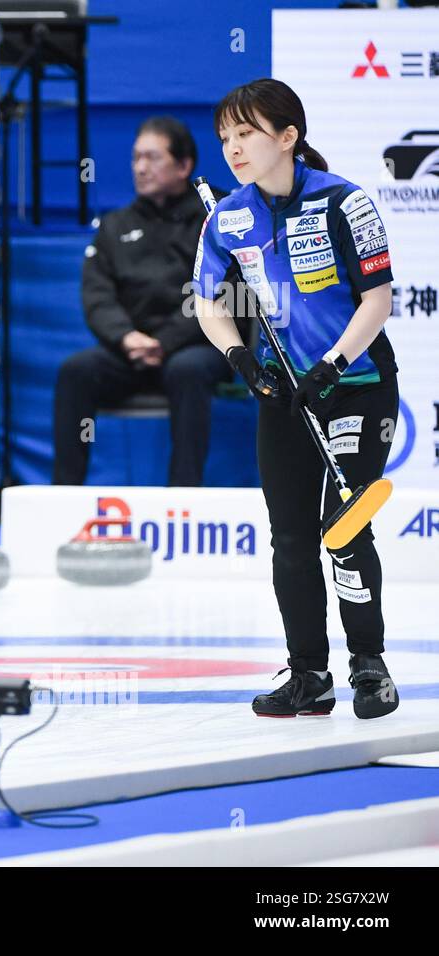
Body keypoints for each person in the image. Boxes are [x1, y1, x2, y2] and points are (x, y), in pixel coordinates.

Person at [193, 79, 399, 719]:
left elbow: (377, 301)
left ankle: (369, 664)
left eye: (247, 133)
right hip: (283, 396)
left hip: (356, 386)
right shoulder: (228, 216)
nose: (233, 148)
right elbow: (209, 301)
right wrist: (240, 357)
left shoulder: (346, 203)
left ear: (289, 137)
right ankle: (309, 673)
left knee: (344, 530)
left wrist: (333, 364)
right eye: (225, 136)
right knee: (290, 539)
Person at [53, 116, 234, 486]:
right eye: (136, 158)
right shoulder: (114, 225)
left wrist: (165, 342)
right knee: (77, 371)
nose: (140, 167)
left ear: (184, 165)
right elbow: (97, 295)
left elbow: (224, 292)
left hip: (197, 344)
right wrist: (126, 338)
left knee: (187, 370)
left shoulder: (217, 216)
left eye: (152, 158)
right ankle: (65, 495)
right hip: (132, 349)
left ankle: (184, 500)